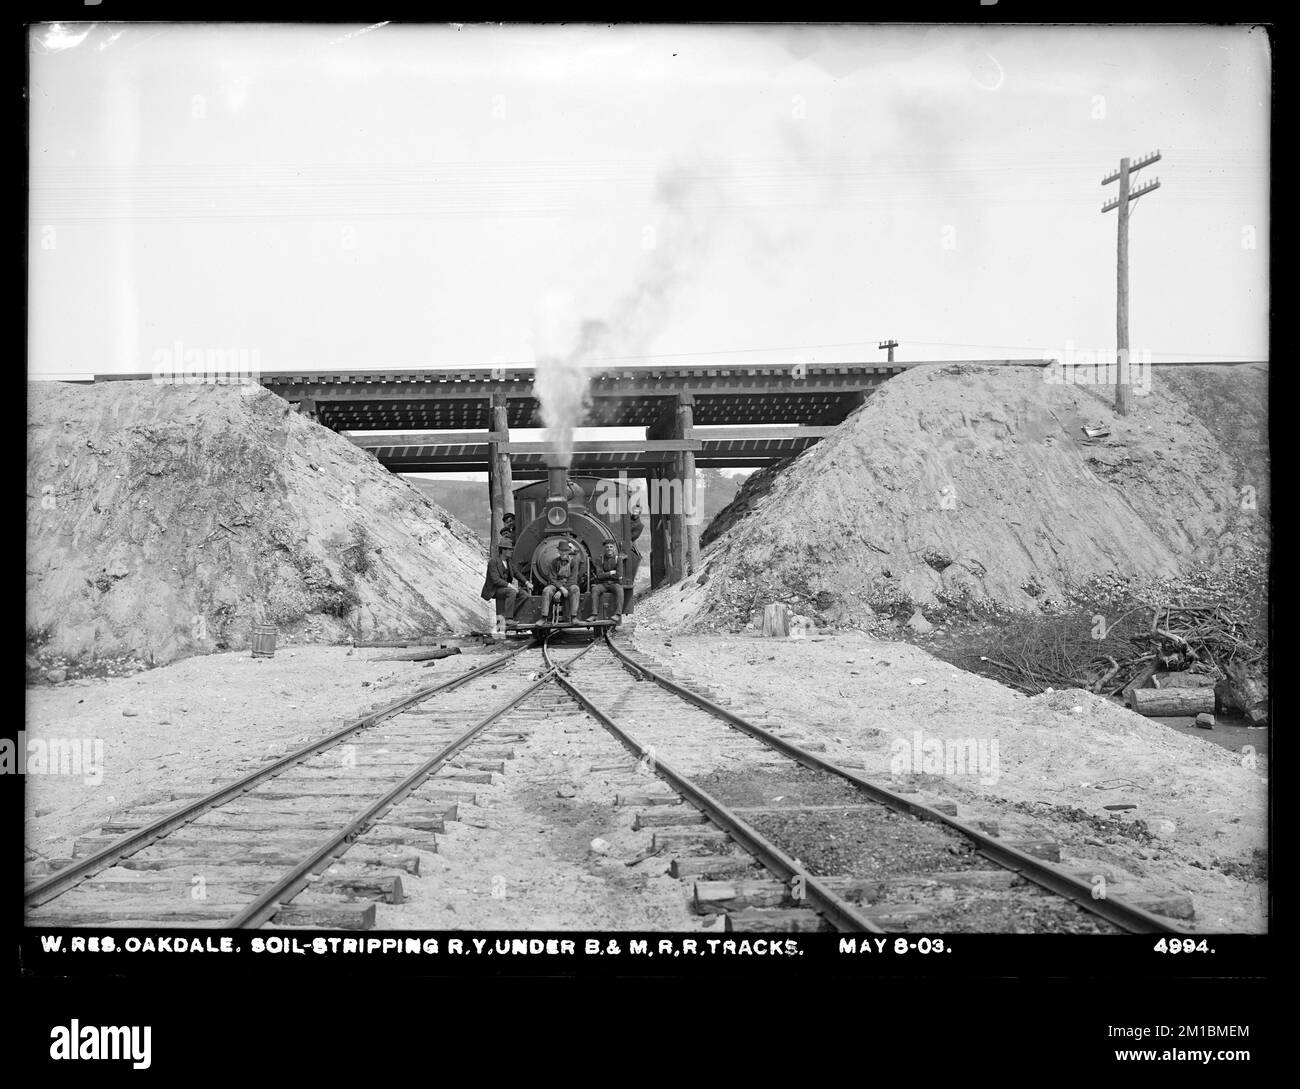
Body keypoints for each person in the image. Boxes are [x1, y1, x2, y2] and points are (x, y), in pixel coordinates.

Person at [540, 540, 581, 623]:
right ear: (558, 551)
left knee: (575, 589)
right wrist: (561, 589)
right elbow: (552, 578)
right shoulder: (554, 562)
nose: (563, 553)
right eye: (561, 551)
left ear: (569, 551)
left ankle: (573, 617)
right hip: (556, 584)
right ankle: (544, 617)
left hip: (568, 584)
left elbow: (573, 579)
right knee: (547, 590)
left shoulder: (574, 562)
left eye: (565, 551)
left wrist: (562, 591)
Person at [480, 542, 522, 621]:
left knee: (524, 594)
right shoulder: (493, 562)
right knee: (512, 592)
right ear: (503, 551)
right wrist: (510, 585)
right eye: (510, 550)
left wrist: (527, 582)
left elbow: (516, 573)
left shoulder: (508, 561)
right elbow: (496, 580)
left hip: (504, 589)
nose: (511, 551)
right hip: (494, 589)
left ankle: (511, 613)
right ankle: (508, 619)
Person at [587, 540, 624, 621]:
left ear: (614, 548)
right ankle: (594, 614)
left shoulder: (618, 559)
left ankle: (618, 614)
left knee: (619, 590)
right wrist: (611, 572)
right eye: (607, 547)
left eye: (611, 547)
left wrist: (605, 574)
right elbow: (599, 575)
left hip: (614, 584)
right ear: (604, 548)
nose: (609, 549)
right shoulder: (600, 559)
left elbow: (619, 575)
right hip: (603, 584)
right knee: (595, 589)